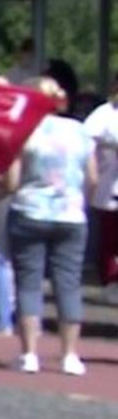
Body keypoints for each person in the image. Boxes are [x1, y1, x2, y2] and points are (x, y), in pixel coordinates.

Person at [5, 77, 97, 376]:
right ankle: (70, 355)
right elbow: (92, 178)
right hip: (70, 214)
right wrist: (79, 200)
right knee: (68, 283)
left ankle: (29, 353)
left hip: (30, 210)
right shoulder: (79, 131)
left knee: (29, 283)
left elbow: (12, 181)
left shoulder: (22, 130)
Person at [83, 74, 118, 305]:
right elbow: (86, 140)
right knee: (110, 237)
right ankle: (110, 282)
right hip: (110, 184)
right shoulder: (104, 114)